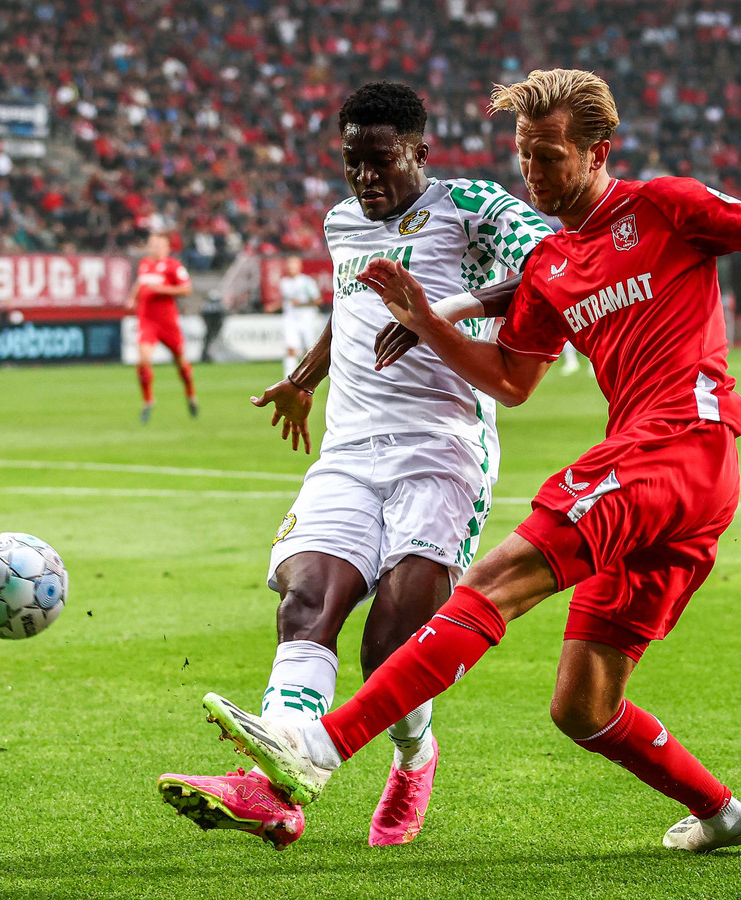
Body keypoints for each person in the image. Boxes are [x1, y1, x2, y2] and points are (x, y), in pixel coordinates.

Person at [193, 69, 741, 853]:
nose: (534, 175)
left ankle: (314, 751)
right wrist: (427, 317)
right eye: (526, 156)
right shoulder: (553, 266)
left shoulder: (660, 204)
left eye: (551, 157)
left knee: (493, 583)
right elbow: (509, 382)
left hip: (680, 442)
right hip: (667, 482)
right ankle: (722, 814)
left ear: (599, 152)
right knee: (583, 706)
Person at [158, 82, 552, 848]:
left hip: (440, 453)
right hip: (348, 451)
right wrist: (303, 381)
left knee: (388, 651)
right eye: (352, 163)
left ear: (420, 153)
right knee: (307, 603)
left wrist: (442, 315)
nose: (366, 180)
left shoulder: (471, 205)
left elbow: (558, 268)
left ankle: (415, 753)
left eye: (382, 162)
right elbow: (351, 305)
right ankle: (274, 792)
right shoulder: (344, 222)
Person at [127, 231, 196, 423]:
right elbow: (140, 284)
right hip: (147, 320)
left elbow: (187, 289)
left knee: (180, 362)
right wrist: (132, 297)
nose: (154, 247)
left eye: (158, 244)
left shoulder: (174, 266)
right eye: (152, 244)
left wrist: (163, 289)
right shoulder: (144, 264)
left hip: (168, 322)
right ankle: (148, 401)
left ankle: (190, 394)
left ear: (166, 247)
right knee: (143, 360)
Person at [278, 256, 324, 377]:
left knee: (310, 349)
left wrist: (301, 303)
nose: (291, 268)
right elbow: (286, 301)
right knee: (291, 348)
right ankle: (289, 377)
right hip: (290, 319)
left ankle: (310, 375)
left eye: (293, 265)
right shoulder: (284, 283)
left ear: (299, 267)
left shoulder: (306, 282)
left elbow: (318, 300)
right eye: (289, 265)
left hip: (307, 318)